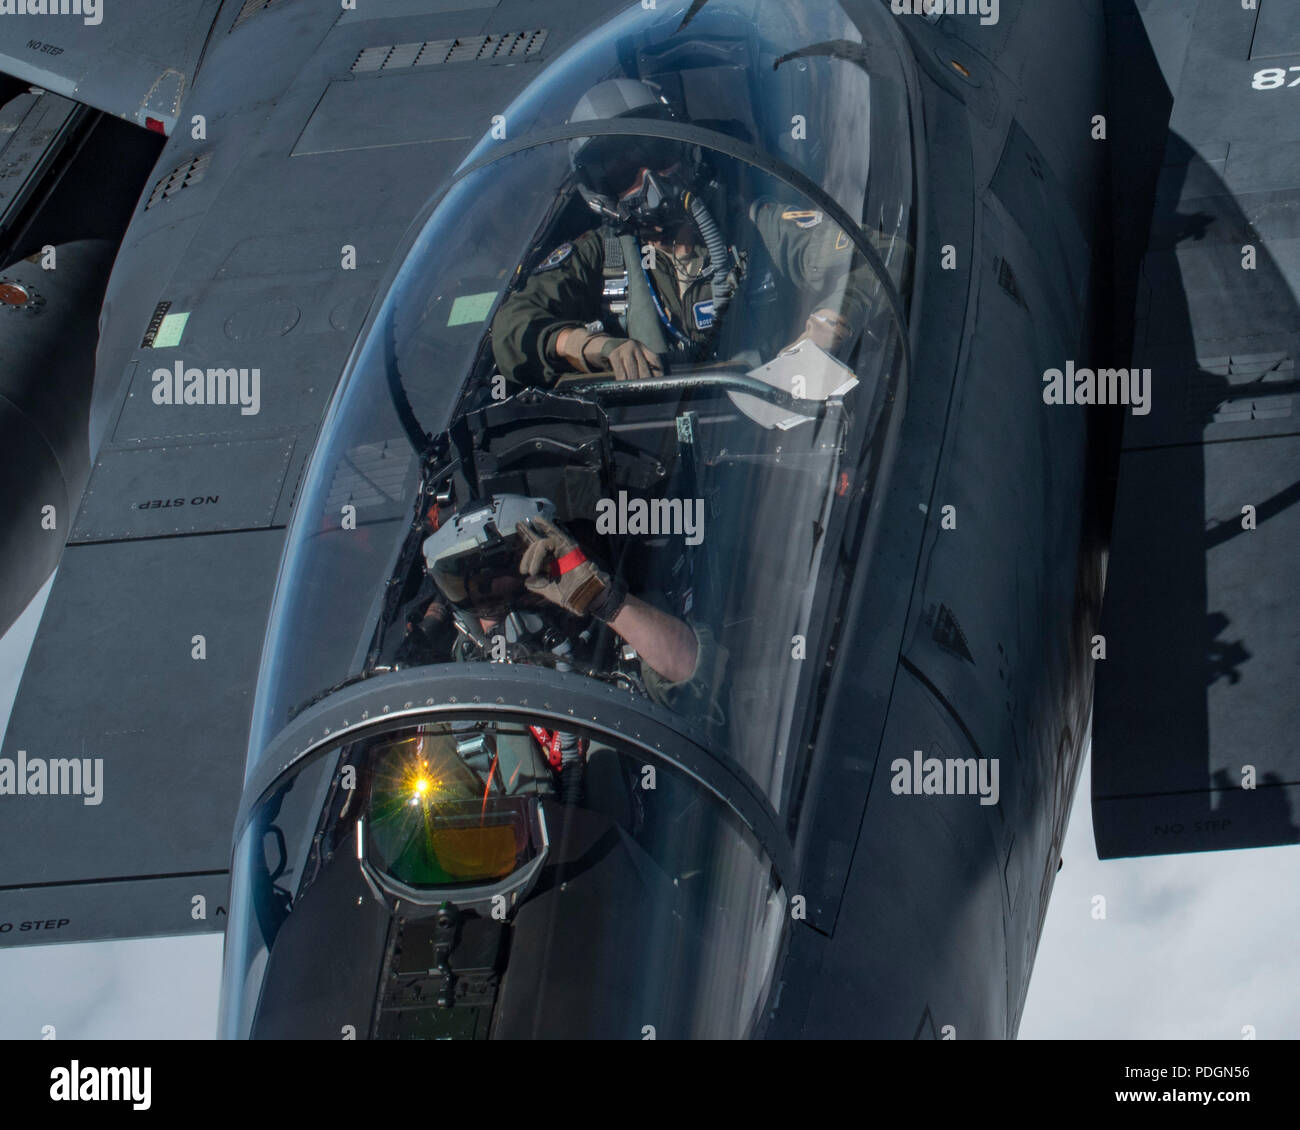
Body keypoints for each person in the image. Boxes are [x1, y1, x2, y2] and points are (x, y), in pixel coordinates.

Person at [490, 78, 890, 388]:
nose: (648, 181)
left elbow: (883, 254)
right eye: (620, 173)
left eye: (657, 154)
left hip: (771, 444)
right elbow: (511, 328)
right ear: (599, 190)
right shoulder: (606, 256)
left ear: (682, 149)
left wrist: (839, 314)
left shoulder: (752, 227)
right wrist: (595, 348)